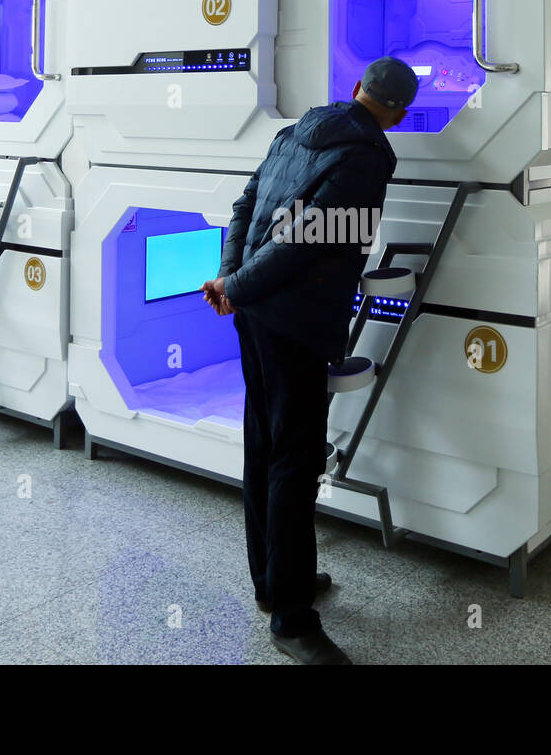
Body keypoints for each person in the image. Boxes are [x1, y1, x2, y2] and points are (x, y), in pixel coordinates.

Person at [202, 57, 418, 665]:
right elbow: (308, 241)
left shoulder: (294, 131)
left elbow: (245, 206)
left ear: (355, 89)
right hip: (294, 320)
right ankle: (293, 620)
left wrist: (230, 280)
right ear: (398, 114)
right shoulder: (367, 155)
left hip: (255, 314)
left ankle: (273, 584)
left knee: (263, 444)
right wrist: (239, 287)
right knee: (294, 461)